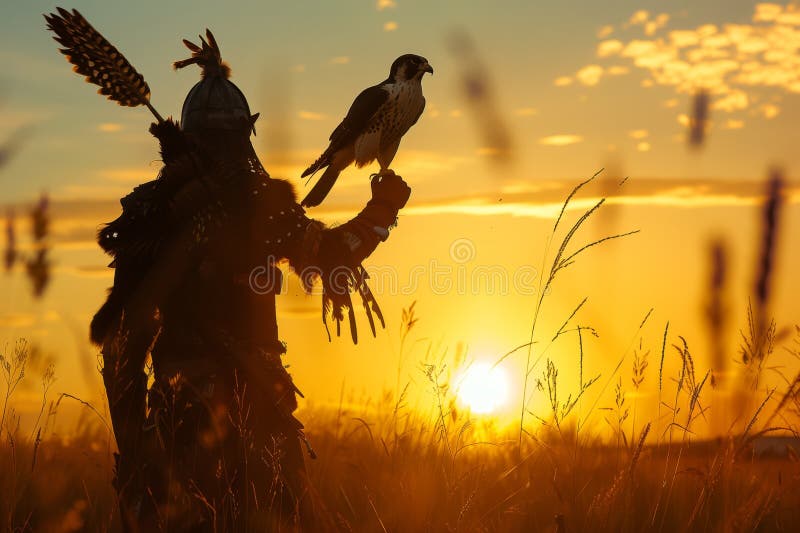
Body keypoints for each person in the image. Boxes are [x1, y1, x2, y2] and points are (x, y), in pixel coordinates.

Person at [90, 31, 410, 531]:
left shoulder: (157, 211)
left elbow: (120, 347)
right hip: (248, 427)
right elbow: (336, 258)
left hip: (186, 425)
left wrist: (135, 447)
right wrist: (382, 210)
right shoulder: (249, 208)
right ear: (245, 133)